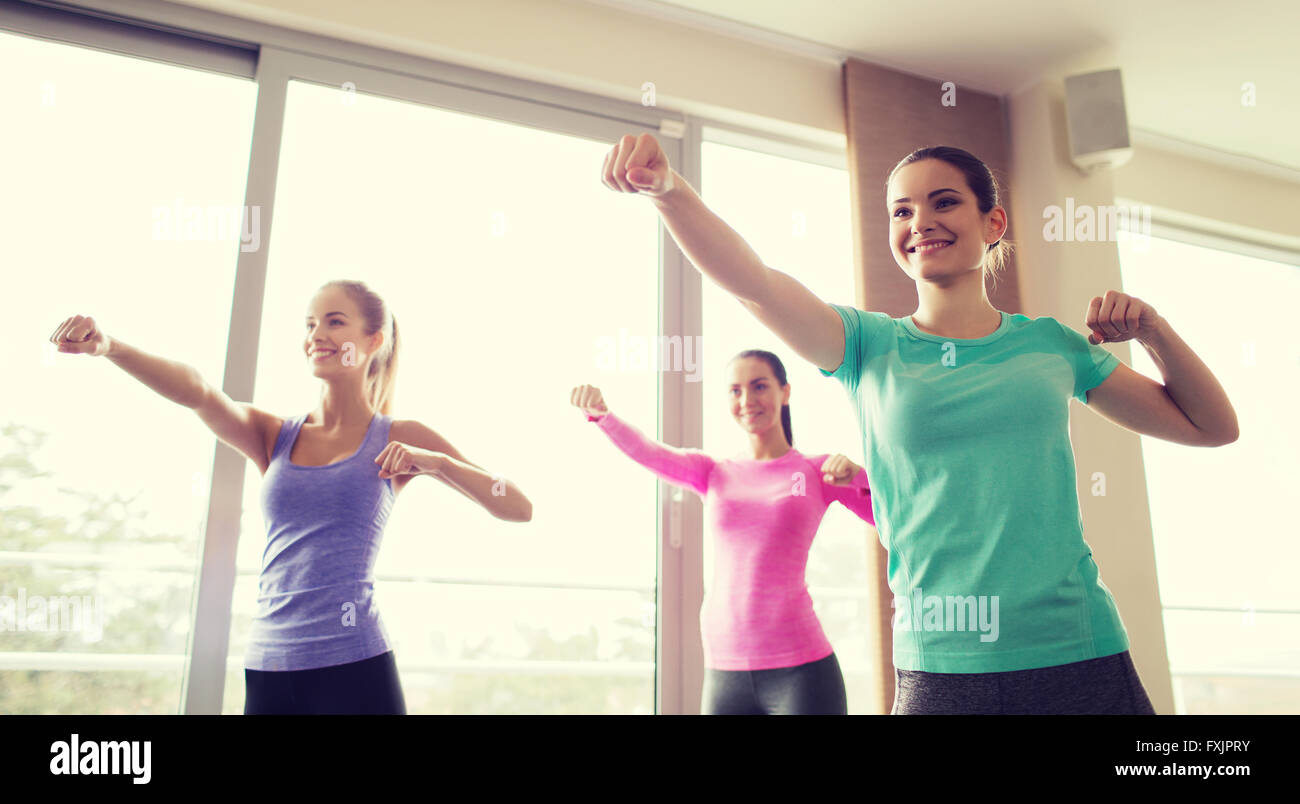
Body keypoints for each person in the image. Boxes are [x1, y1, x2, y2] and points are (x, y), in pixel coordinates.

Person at [599, 134, 1239, 715]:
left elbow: (1212, 427)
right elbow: (755, 284)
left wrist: (1153, 331)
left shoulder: (1051, 345)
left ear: (994, 222)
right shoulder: (864, 345)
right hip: (941, 668)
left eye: (943, 203)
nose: (920, 222)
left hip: (1078, 650)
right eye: (901, 211)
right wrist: (670, 193)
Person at [49, 279, 532, 714]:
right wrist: (107, 346)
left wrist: (437, 464)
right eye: (310, 323)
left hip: (355, 666)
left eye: (334, 322)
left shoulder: (397, 436)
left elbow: (515, 506)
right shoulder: (274, 434)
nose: (316, 334)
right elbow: (198, 392)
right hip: (269, 666)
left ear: (373, 341)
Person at [571, 348, 876, 714]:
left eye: (759, 386)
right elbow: (650, 452)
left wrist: (858, 476)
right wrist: (603, 416)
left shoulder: (817, 471)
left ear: (786, 392)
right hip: (724, 667)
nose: (747, 400)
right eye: (735, 390)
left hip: (801, 670)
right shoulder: (713, 472)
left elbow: (890, 518)